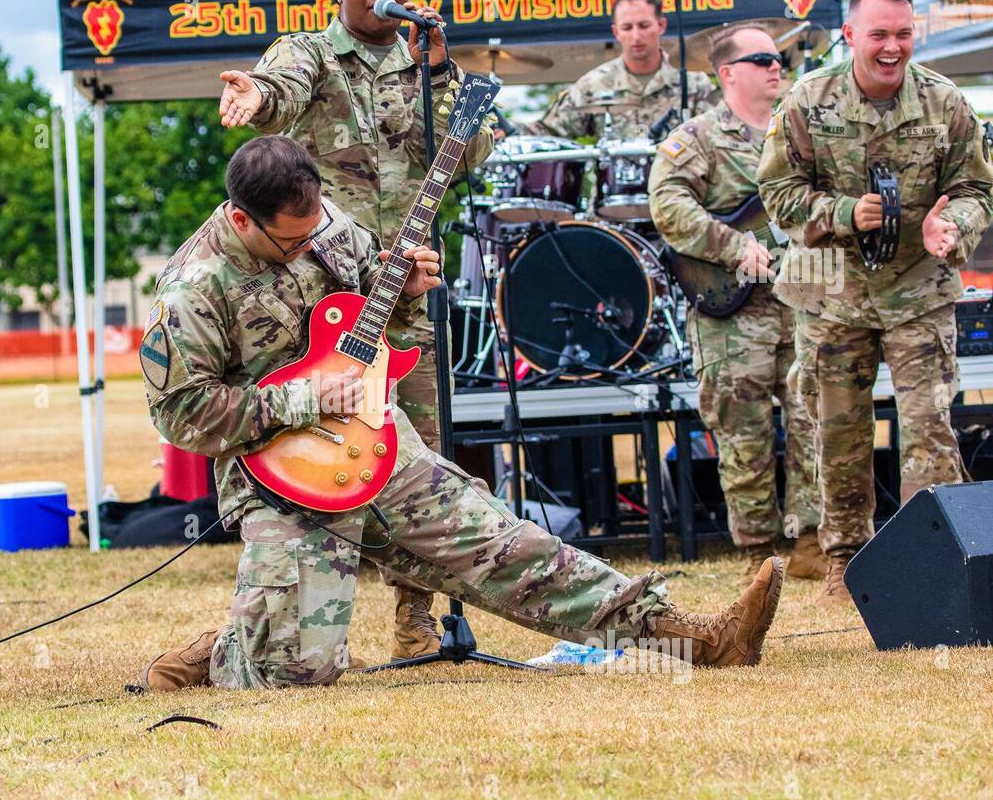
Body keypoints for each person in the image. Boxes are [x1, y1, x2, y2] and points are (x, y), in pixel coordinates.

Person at [139, 136, 785, 692]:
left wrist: (407, 289)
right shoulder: (193, 288)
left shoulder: (326, 226)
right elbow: (181, 415)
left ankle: (695, 638)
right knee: (296, 673)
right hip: (282, 475)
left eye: (314, 231)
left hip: (376, 442)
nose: (308, 246)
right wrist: (301, 399)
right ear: (242, 219)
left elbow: (379, 319)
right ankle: (232, 646)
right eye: (290, 241)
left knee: (506, 548)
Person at [215, 0, 495, 659]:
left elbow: (474, 154)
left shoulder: (425, 63)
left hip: (408, 298)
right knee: (312, 457)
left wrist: (443, 71)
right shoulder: (310, 53)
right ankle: (283, 616)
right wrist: (255, 94)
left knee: (421, 455)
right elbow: (277, 92)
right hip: (323, 309)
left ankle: (416, 621)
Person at [757, 0, 993, 607]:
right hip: (833, 293)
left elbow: (977, 188)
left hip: (919, 286)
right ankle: (846, 564)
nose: (893, 47)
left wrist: (955, 225)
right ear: (851, 35)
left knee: (928, 428)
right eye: (880, 34)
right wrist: (839, 212)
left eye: (904, 34)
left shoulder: (945, 103)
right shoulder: (808, 101)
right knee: (838, 433)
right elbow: (777, 198)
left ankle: (936, 561)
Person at [649, 25, 825, 579]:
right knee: (743, 438)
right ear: (727, 72)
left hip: (802, 303)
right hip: (731, 313)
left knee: (814, 424)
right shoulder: (697, 137)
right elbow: (668, 205)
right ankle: (760, 555)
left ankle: (812, 544)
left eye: (780, 58)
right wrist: (733, 245)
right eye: (762, 59)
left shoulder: (802, 133)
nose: (777, 66)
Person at [525, 0, 714, 141]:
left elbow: (718, 136)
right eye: (627, 28)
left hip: (681, 186)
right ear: (616, 32)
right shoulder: (594, 84)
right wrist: (503, 131)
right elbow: (547, 132)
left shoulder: (694, 82)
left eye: (644, 25)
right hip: (615, 187)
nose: (636, 36)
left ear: (661, 25)